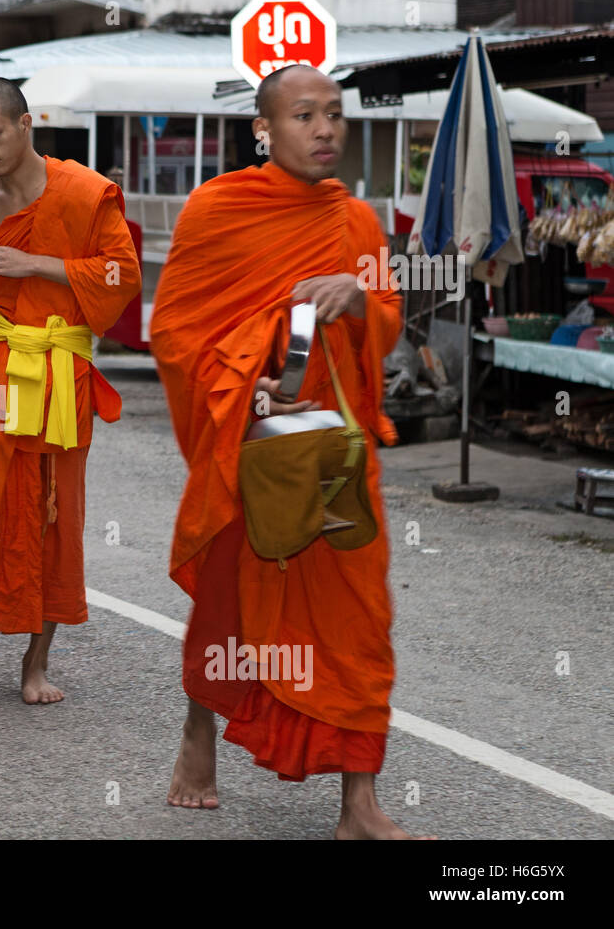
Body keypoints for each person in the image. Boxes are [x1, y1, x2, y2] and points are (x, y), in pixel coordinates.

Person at [150, 65, 419, 839]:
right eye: (305, 115)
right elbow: (175, 334)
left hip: (335, 454)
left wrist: (359, 297)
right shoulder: (219, 209)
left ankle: (358, 804)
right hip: (252, 447)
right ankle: (198, 738)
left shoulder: (357, 222)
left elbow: (390, 323)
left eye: (335, 114)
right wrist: (247, 383)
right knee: (230, 604)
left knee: (360, 619)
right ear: (263, 129)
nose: (326, 129)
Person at [0, 78, 141, 704]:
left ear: (26, 126)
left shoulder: (83, 193)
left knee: (54, 517)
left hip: (59, 380)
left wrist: (39, 266)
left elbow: (121, 274)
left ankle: (36, 661)